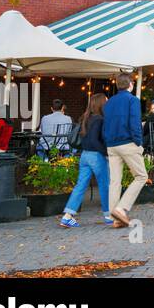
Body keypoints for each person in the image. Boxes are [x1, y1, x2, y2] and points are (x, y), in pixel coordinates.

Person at [59, 94, 112, 228]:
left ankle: (67, 216)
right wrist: (106, 152)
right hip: (96, 156)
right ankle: (109, 215)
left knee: (80, 186)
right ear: (101, 104)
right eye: (106, 101)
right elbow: (95, 140)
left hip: (84, 155)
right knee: (105, 185)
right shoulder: (100, 119)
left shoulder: (85, 118)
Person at [103, 72, 147, 229]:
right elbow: (135, 123)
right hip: (127, 142)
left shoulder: (109, 103)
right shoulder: (132, 100)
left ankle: (115, 217)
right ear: (131, 84)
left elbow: (105, 124)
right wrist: (138, 142)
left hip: (111, 144)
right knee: (141, 176)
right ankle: (121, 210)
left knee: (115, 181)